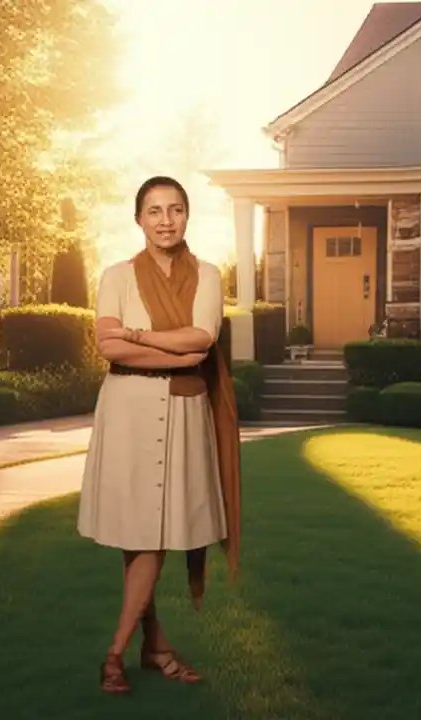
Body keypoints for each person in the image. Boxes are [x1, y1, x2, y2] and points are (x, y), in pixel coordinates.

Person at [77, 175, 242, 695]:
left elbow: (202, 338)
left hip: (184, 413)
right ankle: (154, 648)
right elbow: (108, 348)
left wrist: (138, 334)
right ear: (139, 219)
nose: (165, 220)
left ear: (187, 216)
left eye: (175, 209)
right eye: (154, 210)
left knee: (153, 534)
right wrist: (170, 352)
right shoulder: (117, 275)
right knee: (137, 534)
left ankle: (115, 653)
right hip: (126, 411)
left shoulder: (209, 275)